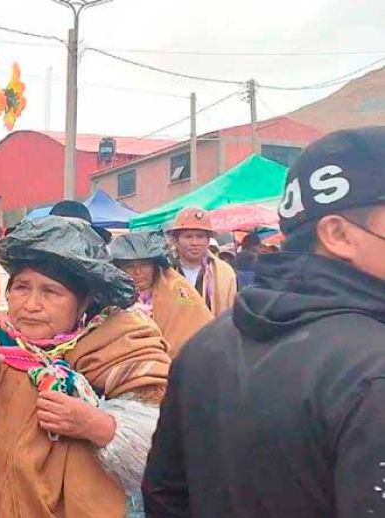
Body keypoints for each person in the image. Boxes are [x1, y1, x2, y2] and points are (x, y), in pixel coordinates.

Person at [143, 126, 385, 517]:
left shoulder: (203, 347)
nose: (195, 242)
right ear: (339, 234)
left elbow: (164, 494)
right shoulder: (374, 371)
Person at [0, 216, 172, 517]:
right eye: (22, 288)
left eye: (51, 292)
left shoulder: (121, 349)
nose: (31, 305)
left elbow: (165, 455)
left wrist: (97, 425)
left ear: (83, 302)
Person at [110, 231, 212, 357]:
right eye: (130, 267)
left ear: (154, 266)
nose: (138, 272)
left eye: (144, 265)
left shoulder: (177, 290)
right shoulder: (111, 299)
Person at [167, 207, 237, 315]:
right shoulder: (165, 271)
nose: (194, 243)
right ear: (176, 240)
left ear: (208, 240)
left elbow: (231, 315)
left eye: (200, 236)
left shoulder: (224, 272)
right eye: (188, 236)